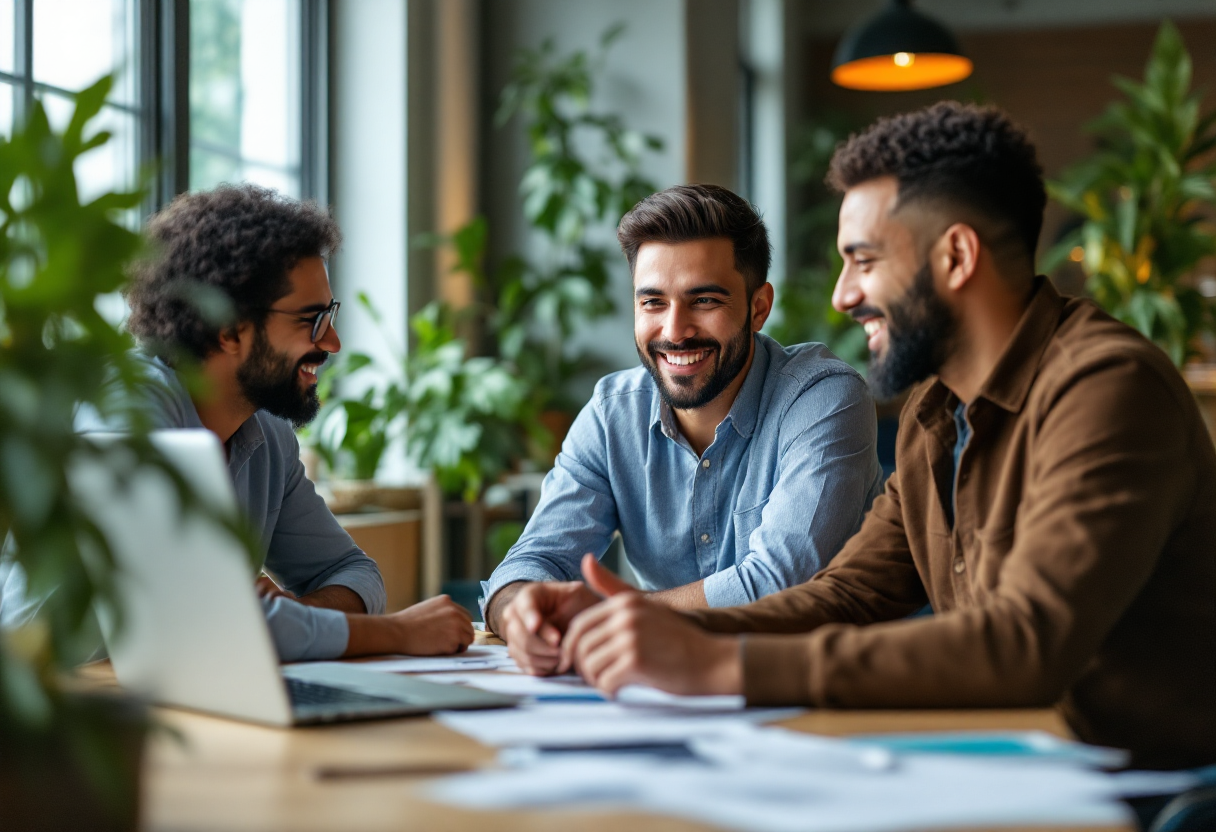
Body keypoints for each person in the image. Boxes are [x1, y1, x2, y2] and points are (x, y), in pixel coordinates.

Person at [557, 102, 1216, 770]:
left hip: (1140, 790)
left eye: (864, 260)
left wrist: (723, 664)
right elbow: (849, 594)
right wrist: (648, 629)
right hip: (1011, 767)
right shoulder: (936, 408)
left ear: (956, 256)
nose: (844, 295)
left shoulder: (1107, 388)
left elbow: (1024, 644)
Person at [4, 184, 473, 661]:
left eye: (328, 315)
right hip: (53, 709)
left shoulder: (267, 435)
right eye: (311, 320)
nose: (332, 342)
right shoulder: (126, 404)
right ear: (228, 330)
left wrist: (293, 620)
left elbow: (354, 573)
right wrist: (397, 633)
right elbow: (201, 620)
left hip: (174, 698)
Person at [485, 184, 885, 674]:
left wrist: (612, 616)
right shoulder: (613, 414)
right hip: (663, 690)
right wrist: (520, 612)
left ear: (759, 307)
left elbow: (781, 582)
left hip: (819, 688)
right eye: (653, 302)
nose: (675, 330)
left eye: (705, 300)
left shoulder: (823, 397)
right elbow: (531, 561)